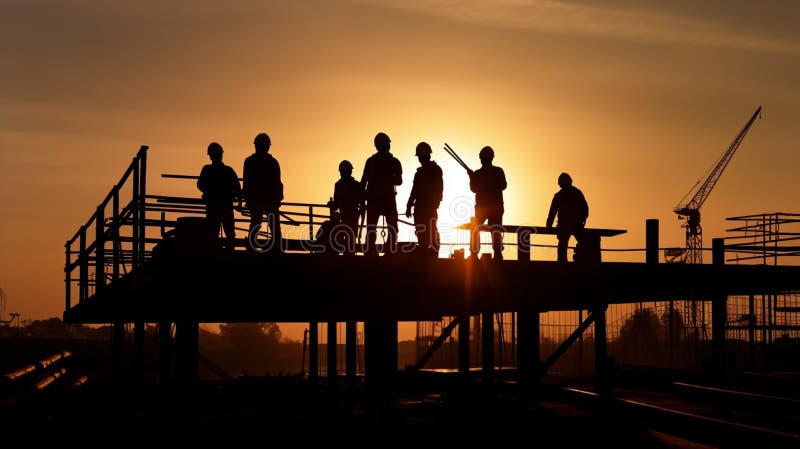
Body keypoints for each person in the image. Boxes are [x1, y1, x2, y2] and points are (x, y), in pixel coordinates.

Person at [360, 132, 402, 256]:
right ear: (387, 146)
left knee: (371, 228)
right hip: (387, 200)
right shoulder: (394, 161)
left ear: (377, 146)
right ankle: (389, 251)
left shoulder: (371, 162)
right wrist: (389, 178)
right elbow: (399, 181)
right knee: (392, 228)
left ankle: (370, 251)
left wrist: (361, 199)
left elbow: (363, 183)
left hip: (374, 200)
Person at [243, 132, 283, 252]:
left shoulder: (250, 161)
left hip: (259, 200)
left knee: (256, 223)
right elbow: (278, 183)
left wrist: (247, 198)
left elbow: (247, 182)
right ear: (267, 147)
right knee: (272, 224)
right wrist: (278, 199)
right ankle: (277, 247)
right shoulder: (273, 162)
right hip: (268, 200)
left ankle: (252, 245)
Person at [197, 142, 241, 249]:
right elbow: (238, 188)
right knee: (228, 233)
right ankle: (228, 254)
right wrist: (239, 202)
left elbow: (200, 185)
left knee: (213, 234)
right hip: (224, 207)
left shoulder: (207, 170)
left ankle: (215, 255)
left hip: (214, 207)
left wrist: (208, 191)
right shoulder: (228, 171)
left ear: (211, 157)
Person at [405, 142, 443, 258]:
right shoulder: (420, 173)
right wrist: (409, 204)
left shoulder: (435, 170)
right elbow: (415, 190)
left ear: (427, 156)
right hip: (421, 206)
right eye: (420, 157)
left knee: (431, 229)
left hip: (429, 205)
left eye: (422, 157)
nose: (421, 159)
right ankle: (424, 249)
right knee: (421, 230)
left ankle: (433, 250)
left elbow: (439, 188)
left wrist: (436, 202)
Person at [469, 146, 507, 260]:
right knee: (489, 229)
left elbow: (503, 185)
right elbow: (474, 188)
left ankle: (494, 253)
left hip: (489, 207)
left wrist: (483, 180)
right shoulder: (480, 173)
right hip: (490, 207)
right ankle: (492, 253)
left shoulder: (493, 172)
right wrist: (472, 177)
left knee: (482, 228)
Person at [546, 172, 589, 263]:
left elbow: (552, 212)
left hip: (564, 225)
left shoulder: (559, 195)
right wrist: (583, 219)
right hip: (576, 224)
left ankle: (562, 264)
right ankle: (584, 263)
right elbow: (585, 207)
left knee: (562, 246)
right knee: (583, 243)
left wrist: (548, 226)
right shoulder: (577, 193)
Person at [331, 160, 364, 254]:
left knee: (347, 237)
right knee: (349, 238)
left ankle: (346, 256)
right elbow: (336, 203)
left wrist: (332, 205)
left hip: (350, 215)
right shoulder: (354, 185)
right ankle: (348, 256)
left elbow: (336, 204)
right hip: (348, 215)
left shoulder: (351, 185)